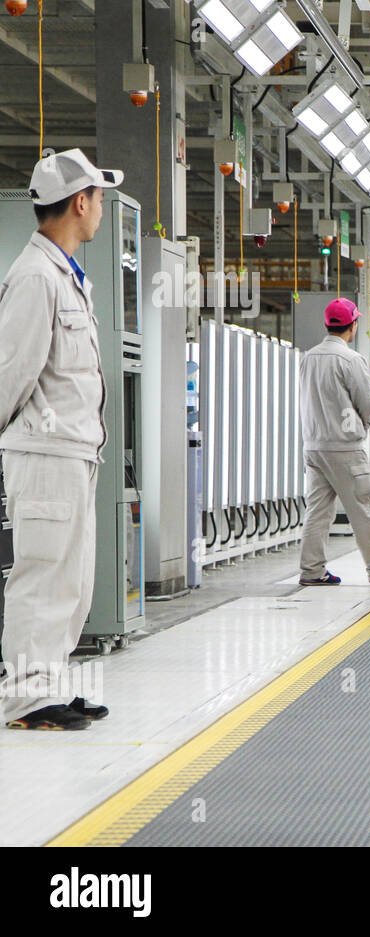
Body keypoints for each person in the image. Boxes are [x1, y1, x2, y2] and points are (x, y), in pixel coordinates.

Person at [0, 149, 121, 731]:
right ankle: (26, 696)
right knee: (44, 574)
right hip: (45, 453)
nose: (102, 208)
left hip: (72, 452)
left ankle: (49, 683)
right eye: (99, 197)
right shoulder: (33, 277)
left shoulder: (66, 274)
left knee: (70, 581)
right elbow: (10, 370)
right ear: (80, 202)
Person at [298, 298, 370, 586]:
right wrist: (362, 428)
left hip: (314, 445)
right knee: (362, 507)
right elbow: (366, 403)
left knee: (318, 511)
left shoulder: (308, 357)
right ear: (353, 326)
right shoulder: (351, 359)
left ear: (327, 324)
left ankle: (311, 570)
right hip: (345, 446)